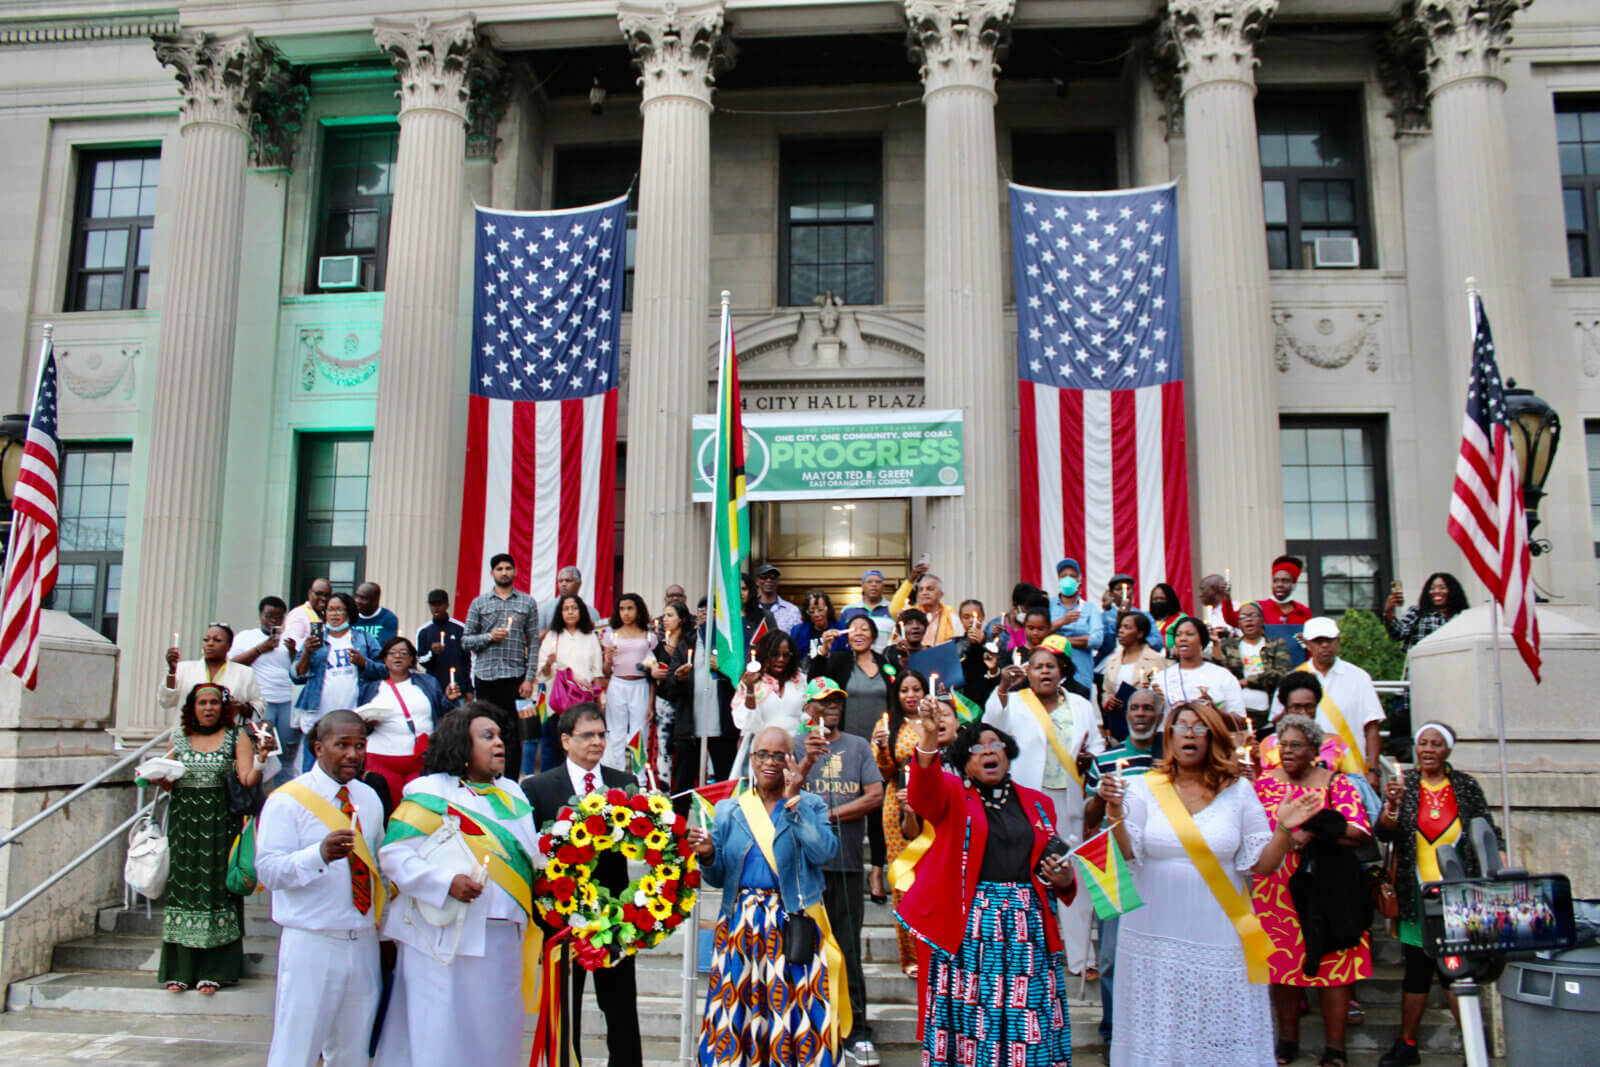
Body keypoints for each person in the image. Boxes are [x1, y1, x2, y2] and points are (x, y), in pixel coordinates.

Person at [1098, 698, 1318, 1067]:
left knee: (1217, 1028)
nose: (1189, 733)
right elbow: (1128, 854)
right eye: (1180, 726)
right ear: (1168, 737)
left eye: (1199, 727)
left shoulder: (1239, 792)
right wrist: (1114, 812)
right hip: (1154, 931)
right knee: (1159, 1023)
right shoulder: (1142, 788)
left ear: (1212, 737)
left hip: (1219, 931)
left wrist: (1283, 826)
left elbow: (1262, 866)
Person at [897, 716, 1078, 1067]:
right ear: (965, 763)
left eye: (995, 745)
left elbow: (1052, 864)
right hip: (972, 930)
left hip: (1028, 931)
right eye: (977, 749)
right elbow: (923, 794)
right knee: (976, 1020)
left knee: (1029, 1021)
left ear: (1008, 754)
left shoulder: (1039, 803)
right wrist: (930, 741)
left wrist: (1063, 877)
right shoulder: (953, 797)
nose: (988, 752)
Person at [376, 704, 541, 1066]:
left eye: (500, 737)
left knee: (497, 1033)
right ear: (460, 745)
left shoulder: (514, 793)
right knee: (439, 1032)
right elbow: (394, 855)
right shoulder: (430, 791)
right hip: (442, 937)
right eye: (487, 737)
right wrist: (445, 883)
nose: (499, 744)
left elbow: (531, 861)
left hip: (502, 937)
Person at [688, 724, 845, 1067]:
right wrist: (708, 855)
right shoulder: (729, 810)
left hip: (793, 925)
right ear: (752, 759)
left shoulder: (810, 805)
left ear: (793, 759)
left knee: (794, 1013)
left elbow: (824, 853)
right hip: (740, 926)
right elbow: (717, 879)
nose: (770, 762)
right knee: (737, 1012)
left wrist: (795, 803)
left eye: (780, 755)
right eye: (762, 754)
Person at [256, 710, 383, 1067]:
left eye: (360, 745)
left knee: (353, 1050)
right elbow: (268, 871)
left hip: (362, 940)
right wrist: (318, 855)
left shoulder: (369, 798)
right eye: (342, 745)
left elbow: (377, 868)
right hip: (311, 939)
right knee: (296, 1046)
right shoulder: (288, 800)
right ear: (318, 748)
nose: (353, 754)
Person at [1374, 722, 1502, 1067]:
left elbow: (1488, 830)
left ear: (1448, 750)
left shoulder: (1465, 786)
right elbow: (1383, 834)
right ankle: (1407, 1044)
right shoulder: (1405, 786)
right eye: (1423, 743)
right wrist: (1391, 807)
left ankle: (1475, 1049)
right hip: (1415, 895)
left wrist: (1497, 872)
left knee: (1456, 971)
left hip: (1458, 896)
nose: (1428, 749)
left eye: (1436, 744)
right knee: (1416, 970)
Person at [522, 703, 644, 1067]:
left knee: (621, 1008)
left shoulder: (624, 783)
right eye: (587, 735)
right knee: (563, 1009)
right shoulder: (539, 788)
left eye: (602, 735)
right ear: (565, 740)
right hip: (561, 920)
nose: (596, 742)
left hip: (614, 919)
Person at [1253, 714, 1373, 1067]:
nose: (1288, 751)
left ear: (1314, 750)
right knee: (1282, 966)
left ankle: (1335, 1049)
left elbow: (1359, 831)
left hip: (1329, 889)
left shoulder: (1336, 782)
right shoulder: (1262, 785)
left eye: (1296, 746)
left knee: (1335, 968)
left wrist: (1315, 830)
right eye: (1283, 745)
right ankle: (1287, 1040)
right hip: (1276, 891)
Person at [984, 645, 1104, 975]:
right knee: (1026, 874)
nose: (1044, 672)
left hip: (1068, 799)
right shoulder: (1016, 702)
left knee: (1072, 873)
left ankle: (1082, 959)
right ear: (1028, 673)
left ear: (1061, 670)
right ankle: (1025, 955)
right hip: (1027, 802)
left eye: (1050, 666)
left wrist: (1089, 760)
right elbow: (989, 728)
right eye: (1037, 667)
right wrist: (1003, 690)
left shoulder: (1080, 705)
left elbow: (1097, 744)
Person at [794, 679, 885, 1067]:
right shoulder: (794, 745)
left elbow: (875, 795)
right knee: (802, 948)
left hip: (846, 863)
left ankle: (857, 1031)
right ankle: (807, 1026)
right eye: (822, 702)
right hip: (802, 867)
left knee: (846, 947)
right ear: (808, 708)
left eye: (836, 702)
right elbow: (782, 794)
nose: (830, 708)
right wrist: (807, 762)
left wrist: (827, 816)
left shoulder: (859, 746)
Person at [156, 683, 270, 994]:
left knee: (219, 891)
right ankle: (180, 970)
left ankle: (217, 971)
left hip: (222, 826)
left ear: (223, 708)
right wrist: (156, 777)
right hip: (185, 827)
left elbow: (246, 779)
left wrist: (260, 759)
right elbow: (168, 778)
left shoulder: (237, 736)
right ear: (191, 707)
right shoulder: (178, 737)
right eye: (202, 703)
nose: (208, 708)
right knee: (183, 891)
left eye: (214, 703)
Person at [1080, 688, 1164, 1048]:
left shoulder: (1171, 758)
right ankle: (1114, 1031)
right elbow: (1088, 819)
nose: (1141, 714)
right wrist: (1100, 797)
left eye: (1149, 708)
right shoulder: (1105, 760)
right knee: (1112, 956)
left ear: (1160, 714)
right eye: (1135, 708)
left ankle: (1155, 1027)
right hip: (1111, 861)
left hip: (1158, 864)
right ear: (1125, 713)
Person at [871, 670, 958, 977]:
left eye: (917, 689)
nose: (911, 695)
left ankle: (942, 947)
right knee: (904, 878)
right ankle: (910, 955)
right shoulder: (887, 726)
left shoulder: (940, 721)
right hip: (899, 800)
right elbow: (882, 771)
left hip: (937, 801)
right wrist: (882, 747)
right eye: (905, 690)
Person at [807, 613, 897, 901]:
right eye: (854, 628)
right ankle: (845, 868)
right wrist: (823, 651)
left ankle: (876, 873)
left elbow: (897, 698)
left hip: (880, 748)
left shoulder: (886, 665)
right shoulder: (840, 662)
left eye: (865, 628)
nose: (859, 632)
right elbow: (816, 683)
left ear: (873, 634)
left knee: (879, 811)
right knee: (850, 808)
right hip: (847, 747)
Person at [1270, 616, 1386, 789]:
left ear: (1337, 641)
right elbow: (1278, 725)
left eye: (1329, 640)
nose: (1325, 645)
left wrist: (1374, 771)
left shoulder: (1359, 677)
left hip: (1351, 774)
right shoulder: (1292, 679)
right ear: (1307, 643)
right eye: (1318, 641)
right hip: (1303, 776)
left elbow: (1372, 727)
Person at [355, 636, 460, 809]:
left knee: (420, 809)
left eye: (404, 653)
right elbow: (358, 724)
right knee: (386, 810)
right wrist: (367, 724)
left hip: (421, 759)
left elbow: (443, 714)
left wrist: (449, 700)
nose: (398, 657)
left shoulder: (428, 683)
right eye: (393, 653)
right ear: (384, 658)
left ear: (412, 658)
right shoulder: (370, 688)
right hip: (381, 759)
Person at [461, 553, 541, 780]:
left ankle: (511, 781)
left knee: (514, 733)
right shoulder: (479, 603)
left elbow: (533, 642)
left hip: (515, 676)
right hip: (486, 676)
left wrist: (529, 678)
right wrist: (488, 637)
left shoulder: (527, 602)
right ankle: (484, 776)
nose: (504, 572)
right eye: (499, 569)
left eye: (508, 568)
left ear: (514, 572)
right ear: (492, 573)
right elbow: (466, 641)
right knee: (485, 729)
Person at [292, 593, 385, 770]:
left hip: (352, 714)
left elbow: (384, 670)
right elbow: (296, 676)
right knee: (312, 769)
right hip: (317, 717)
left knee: (348, 767)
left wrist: (364, 662)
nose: (334, 614)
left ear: (349, 612)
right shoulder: (315, 639)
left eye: (339, 609)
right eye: (330, 610)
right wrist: (307, 653)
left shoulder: (363, 638)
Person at [1383, 572, 1468, 754]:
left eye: (1442, 587)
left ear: (1452, 591)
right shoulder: (1419, 613)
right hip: (1421, 680)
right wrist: (1389, 611)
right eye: (1433, 588)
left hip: (1452, 679)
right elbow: (1399, 632)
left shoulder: (1462, 617)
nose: (1436, 591)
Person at [231, 596, 300, 787]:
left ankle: (283, 794)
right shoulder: (246, 637)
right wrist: (260, 649)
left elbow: (301, 670)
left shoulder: (291, 638)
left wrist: (294, 652)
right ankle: (259, 799)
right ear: (260, 615)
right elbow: (234, 664)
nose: (274, 621)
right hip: (261, 703)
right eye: (269, 616)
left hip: (287, 701)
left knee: (287, 756)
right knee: (261, 753)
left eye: (278, 618)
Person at [536, 592, 609, 768]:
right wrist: (548, 663)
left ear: (581, 611)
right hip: (557, 702)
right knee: (553, 747)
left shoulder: (590, 637)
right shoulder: (553, 636)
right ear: (560, 613)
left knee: (580, 747)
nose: (570, 612)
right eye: (566, 609)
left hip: (582, 701)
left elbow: (596, 672)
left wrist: (601, 702)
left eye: (574, 608)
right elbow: (542, 673)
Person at [732, 631, 806, 773]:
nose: (781, 659)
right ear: (764, 655)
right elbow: (746, 723)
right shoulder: (751, 681)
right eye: (775, 655)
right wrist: (750, 690)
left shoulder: (800, 680)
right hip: (764, 754)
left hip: (794, 751)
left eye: (786, 655)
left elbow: (806, 714)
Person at [1212, 600, 1293, 730]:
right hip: (1238, 717)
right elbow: (1220, 676)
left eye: (1253, 615)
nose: (1248, 620)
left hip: (1270, 717)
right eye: (1243, 617)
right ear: (1238, 623)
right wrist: (1215, 646)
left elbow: (1282, 674)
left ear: (1262, 620)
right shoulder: (1229, 645)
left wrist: (1246, 682)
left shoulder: (1277, 644)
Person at [161, 623, 266, 724]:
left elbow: (259, 705)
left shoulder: (244, 673)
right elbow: (166, 701)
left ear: (229, 646)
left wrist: (243, 708)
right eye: (206, 640)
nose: (210, 643)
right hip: (189, 734)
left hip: (227, 735)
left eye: (217, 640)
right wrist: (171, 672)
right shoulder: (183, 668)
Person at [1154, 615, 1246, 724]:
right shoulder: (1161, 678)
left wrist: (1215, 713)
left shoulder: (1222, 675)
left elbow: (1241, 721)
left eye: (1189, 634)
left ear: (1202, 641)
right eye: (1178, 635)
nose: (1183, 639)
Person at [653, 601, 699, 803]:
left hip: (685, 704)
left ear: (681, 618)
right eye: (664, 615)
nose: (665, 619)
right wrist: (654, 671)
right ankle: (663, 789)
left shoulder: (689, 642)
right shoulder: (659, 642)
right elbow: (652, 671)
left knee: (684, 753)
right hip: (664, 701)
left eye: (670, 615)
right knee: (664, 747)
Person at [604, 592, 655, 774]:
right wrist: (608, 658)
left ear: (638, 610)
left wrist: (651, 703)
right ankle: (614, 774)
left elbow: (652, 674)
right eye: (622, 609)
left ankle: (639, 778)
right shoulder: (611, 636)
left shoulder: (649, 637)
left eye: (630, 608)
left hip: (640, 685)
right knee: (615, 732)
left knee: (639, 733)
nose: (626, 613)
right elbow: (605, 671)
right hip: (617, 684)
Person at [1098, 610, 1168, 741]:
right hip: (1119, 723)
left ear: (1140, 634)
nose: (1121, 631)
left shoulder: (1155, 659)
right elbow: (1106, 691)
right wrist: (1109, 701)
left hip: (1147, 724)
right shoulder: (1112, 660)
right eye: (1120, 627)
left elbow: (1162, 694)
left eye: (1127, 627)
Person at [1050, 558, 1103, 693]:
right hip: (1053, 673)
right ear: (1059, 580)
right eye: (1063, 576)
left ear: (1079, 581)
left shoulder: (1089, 608)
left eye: (1073, 576)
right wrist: (1062, 622)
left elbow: (1096, 639)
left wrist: (1060, 640)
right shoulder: (1048, 606)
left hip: (1081, 674)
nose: (1068, 579)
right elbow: (1040, 634)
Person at [416, 588, 469, 700]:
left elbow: (468, 660)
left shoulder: (460, 628)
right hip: (433, 687)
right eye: (432, 604)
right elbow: (420, 660)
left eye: (439, 604)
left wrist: (469, 688)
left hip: (457, 687)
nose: (436, 607)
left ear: (447, 605)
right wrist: (432, 653)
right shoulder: (424, 631)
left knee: (458, 717)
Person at [890, 566, 957, 646]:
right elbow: (894, 610)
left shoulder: (951, 618)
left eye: (930, 589)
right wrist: (910, 580)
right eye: (921, 590)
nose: (924, 593)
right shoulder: (909, 617)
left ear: (941, 594)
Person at [842, 568, 895, 651]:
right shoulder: (847, 610)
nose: (874, 584)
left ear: (883, 586)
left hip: (886, 661)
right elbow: (842, 638)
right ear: (862, 586)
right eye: (869, 582)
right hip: (855, 661)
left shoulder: (893, 609)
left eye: (878, 582)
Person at [1255, 555, 1312, 626]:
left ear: (1294, 584)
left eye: (1285, 581)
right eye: (1275, 581)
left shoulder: (1304, 612)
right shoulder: (1257, 608)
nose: (1279, 585)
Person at [790, 589, 842, 662]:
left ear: (828, 609)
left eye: (820, 610)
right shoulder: (797, 631)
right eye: (812, 611)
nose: (816, 614)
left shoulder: (841, 628)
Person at [284, 577, 332, 648]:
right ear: (310, 593)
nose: (324, 598)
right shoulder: (298, 614)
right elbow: (294, 644)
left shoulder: (328, 616)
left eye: (327, 595)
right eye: (319, 594)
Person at [537, 565, 587, 632]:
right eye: (560, 581)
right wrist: (554, 627)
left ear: (579, 584)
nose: (563, 584)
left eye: (568, 581)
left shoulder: (591, 612)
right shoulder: (545, 610)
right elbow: (535, 640)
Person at [352, 581, 399, 646]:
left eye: (363, 598)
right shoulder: (351, 616)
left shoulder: (388, 618)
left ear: (376, 600)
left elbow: (385, 647)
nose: (357, 601)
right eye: (357, 596)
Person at [1146, 582, 1184, 651]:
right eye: (1155, 599)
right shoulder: (1146, 617)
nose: (1158, 602)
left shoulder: (1181, 619)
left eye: (1162, 599)